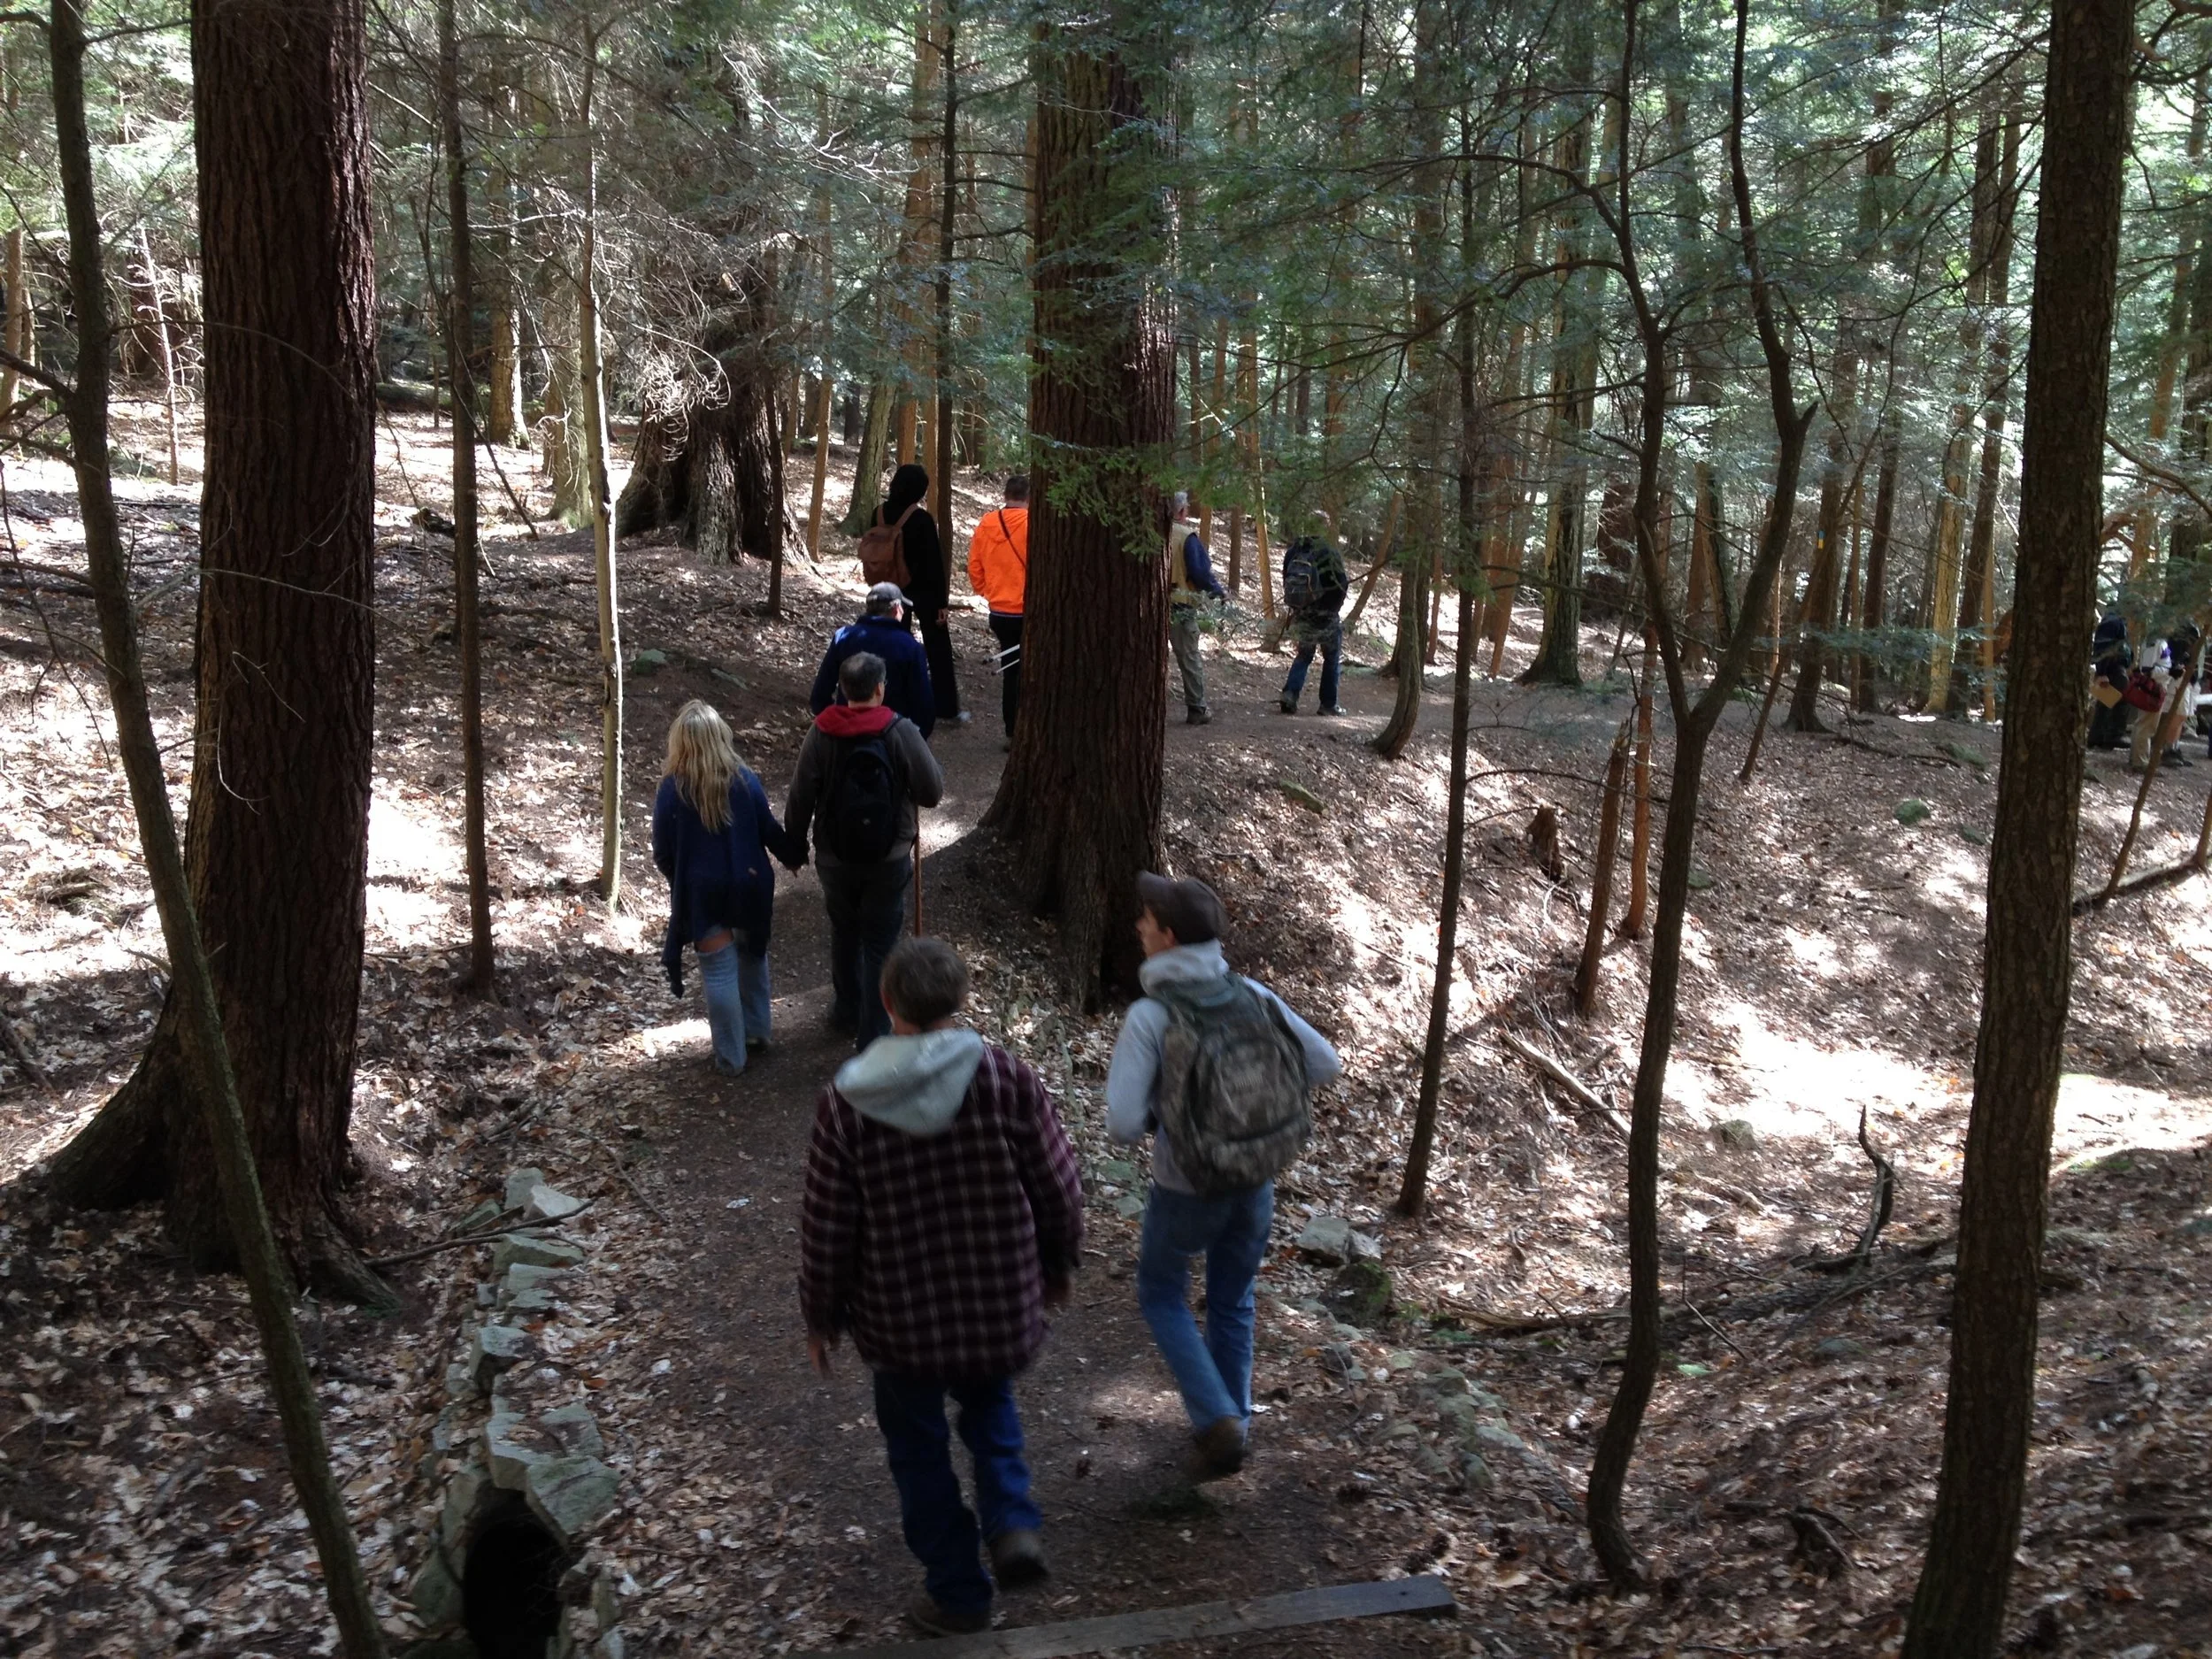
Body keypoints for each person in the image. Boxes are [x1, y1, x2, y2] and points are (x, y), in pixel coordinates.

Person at [800, 937, 1085, 1638]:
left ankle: (958, 1591)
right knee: (991, 1405)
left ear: (886, 1001)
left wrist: (821, 1315)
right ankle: (1011, 1521)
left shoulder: (846, 1103)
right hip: (996, 1300)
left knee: (918, 1449)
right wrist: (1058, 1263)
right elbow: (1058, 1184)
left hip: (899, 1319)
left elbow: (828, 1225)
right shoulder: (1006, 1078)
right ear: (960, 1000)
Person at [1105, 873, 1340, 1480]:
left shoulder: (1151, 1016)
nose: (1138, 925)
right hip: (1256, 1179)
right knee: (1234, 1299)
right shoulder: (1252, 994)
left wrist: (1169, 1110)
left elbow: (1123, 1124)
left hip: (1186, 1186)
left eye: (1147, 918)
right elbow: (1325, 1063)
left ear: (1169, 937)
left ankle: (1216, 1417)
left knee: (1161, 1292)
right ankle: (1234, 1420)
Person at [787, 652, 946, 1048]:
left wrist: (795, 846)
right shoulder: (899, 730)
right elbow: (932, 792)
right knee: (880, 941)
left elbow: (800, 795)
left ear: (843, 690)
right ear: (879, 688)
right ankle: (873, 1033)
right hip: (888, 857)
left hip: (834, 857)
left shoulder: (821, 731)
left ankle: (846, 1010)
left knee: (844, 930)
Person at [651, 701, 804, 1074]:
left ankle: (732, 1058)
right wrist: (793, 856)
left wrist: (681, 880)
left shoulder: (671, 791)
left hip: (702, 892)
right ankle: (758, 1032)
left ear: (680, 743)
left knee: (719, 971)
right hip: (748, 884)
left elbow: (662, 852)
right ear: (721, 736)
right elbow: (769, 830)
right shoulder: (744, 780)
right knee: (752, 956)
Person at [875, 463, 965, 725]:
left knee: (891, 645)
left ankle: (891, 701)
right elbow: (934, 564)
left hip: (889, 589)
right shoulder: (922, 519)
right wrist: (942, 603)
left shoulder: (878, 513)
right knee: (938, 649)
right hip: (924, 592)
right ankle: (946, 708)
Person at [810, 582, 935, 736]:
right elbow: (924, 706)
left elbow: (819, 695)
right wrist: (912, 738)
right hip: (890, 736)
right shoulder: (910, 647)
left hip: (845, 733)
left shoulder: (843, 637)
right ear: (897, 609)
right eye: (903, 607)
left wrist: (834, 725)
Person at [967, 475, 1030, 745]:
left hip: (999, 613)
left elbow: (974, 566)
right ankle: (1026, 731)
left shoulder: (987, 523)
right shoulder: (1033, 524)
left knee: (1011, 671)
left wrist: (988, 592)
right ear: (1029, 497)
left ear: (1006, 495)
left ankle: (1012, 731)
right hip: (1028, 612)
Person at [1277, 516, 1350, 716]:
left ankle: (1290, 695)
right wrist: (1333, 608)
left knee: (1304, 655)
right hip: (1327, 614)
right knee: (1332, 658)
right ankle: (1328, 704)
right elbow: (1341, 584)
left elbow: (1286, 579)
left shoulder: (1294, 550)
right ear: (1324, 529)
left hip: (1302, 612)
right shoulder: (1329, 552)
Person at [1166, 493, 1226, 726]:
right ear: (1182, 511)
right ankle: (1197, 707)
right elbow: (1200, 573)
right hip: (1180, 604)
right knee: (1189, 656)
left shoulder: (1152, 534)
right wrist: (1217, 591)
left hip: (1151, 604)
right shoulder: (1187, 537)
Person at [2089, 605, 2131, 751]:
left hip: (2112, 667)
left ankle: (2100, 738)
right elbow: (2105, 649)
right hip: (2113, 668)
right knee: (2114, 702)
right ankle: (2110, 736)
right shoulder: (2112, 622)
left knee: (2107, 703)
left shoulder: (2113, 622)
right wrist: (2103, 672)